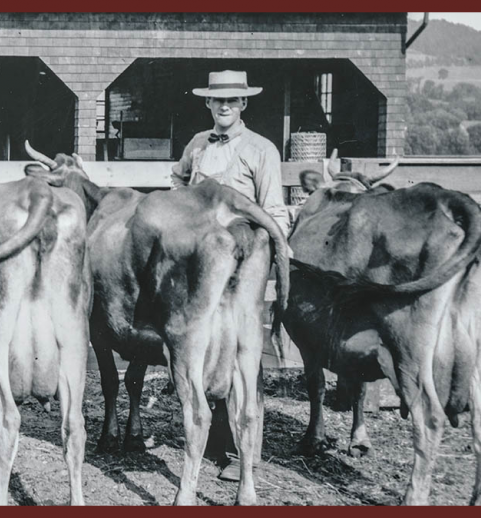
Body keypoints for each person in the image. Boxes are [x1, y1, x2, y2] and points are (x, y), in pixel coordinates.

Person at [171, 70, 290, 481]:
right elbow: (178, 183)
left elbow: (273, 210)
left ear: (243, 105)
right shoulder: (197, 145)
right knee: (207, 346)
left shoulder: (261, 150)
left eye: (232, 101)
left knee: (243, 350)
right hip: (201, 264)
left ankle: (244, 455)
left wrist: (273, 254)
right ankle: (214, 443)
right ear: (207, 104)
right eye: (217, 101)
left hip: (244, 261)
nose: (224, 107)